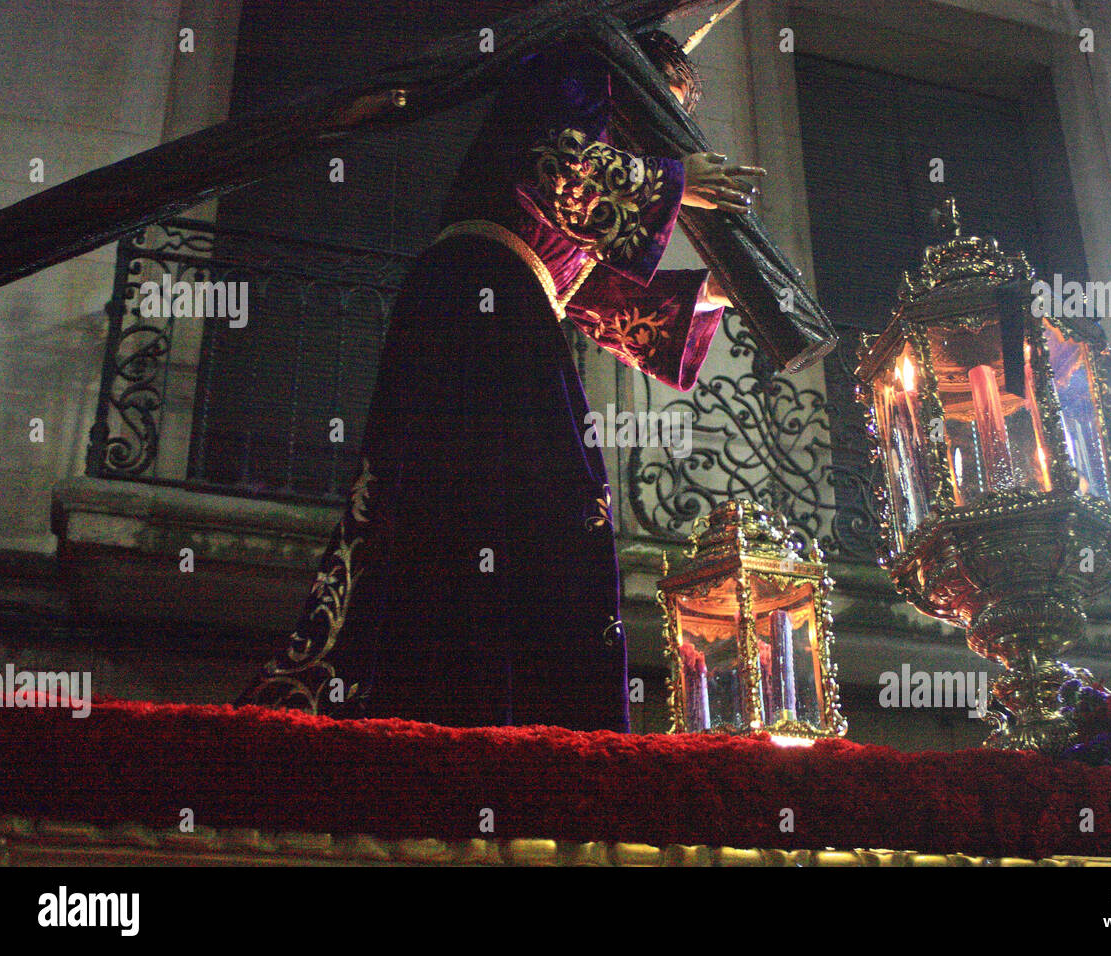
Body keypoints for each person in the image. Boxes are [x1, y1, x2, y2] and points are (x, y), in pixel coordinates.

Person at [235, 29, 764, 732]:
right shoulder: (575, 64)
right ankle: (475, 705)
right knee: (521, 496)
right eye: (648, 123)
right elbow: (553, 158)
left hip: (509, 306)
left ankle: (521, 711)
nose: (644, 152)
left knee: (538, 507)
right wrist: (671, 181)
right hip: (478, 300)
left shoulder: (563, 225)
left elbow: (585, 292)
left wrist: (710, 298)